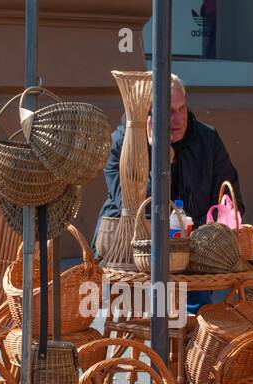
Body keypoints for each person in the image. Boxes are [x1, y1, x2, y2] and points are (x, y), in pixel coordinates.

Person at [93, 73, 244, 257]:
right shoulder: (121, 145)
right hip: (133, 256)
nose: (179, 120)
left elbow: (230, 205)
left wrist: (194, 232)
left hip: (196, 253)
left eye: (182, 109)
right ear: (147, 114)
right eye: (170, 112)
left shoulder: (207, 140)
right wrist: (159, 156)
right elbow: (138, 214)